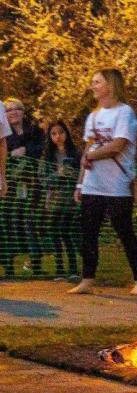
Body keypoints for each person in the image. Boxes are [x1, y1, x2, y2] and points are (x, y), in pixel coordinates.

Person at [69, 69, 137, 295]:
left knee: (125, 232)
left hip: (117, 185)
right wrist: (80, 183)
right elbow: (87, 149)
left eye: (97, 82)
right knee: (88, 233)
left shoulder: (124, 113)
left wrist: (91, 156)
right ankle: (87, 280)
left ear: (110, 85)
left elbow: (118, 145)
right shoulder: (93, 116)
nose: (92, 86)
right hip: (93, 184)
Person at [2, 98, 44, 275]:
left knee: (30, 222)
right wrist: (11, 154)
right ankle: (8, 266)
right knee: (9, 222)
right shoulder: (4, 133)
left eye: (17, 108)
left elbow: (43, 148)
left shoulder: (35, 130)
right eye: (9, 110)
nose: (13, 112)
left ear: (23, 111)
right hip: (10, 185)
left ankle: (36, 263)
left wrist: (26, 150)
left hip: (32, 184)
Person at [40, 121, 81, 279]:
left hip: (70, 201)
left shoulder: (76, 153)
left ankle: (73, 269)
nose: (58, 136)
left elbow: (83, 174)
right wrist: (58, 174)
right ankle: (59, 269)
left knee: (67, 233)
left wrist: (72, 175)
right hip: (53, 201)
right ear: (50, 136)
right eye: (54, 133)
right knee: (54, 233)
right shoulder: (47, 156)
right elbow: (43, 179)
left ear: (67, 133)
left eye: (61, 132)